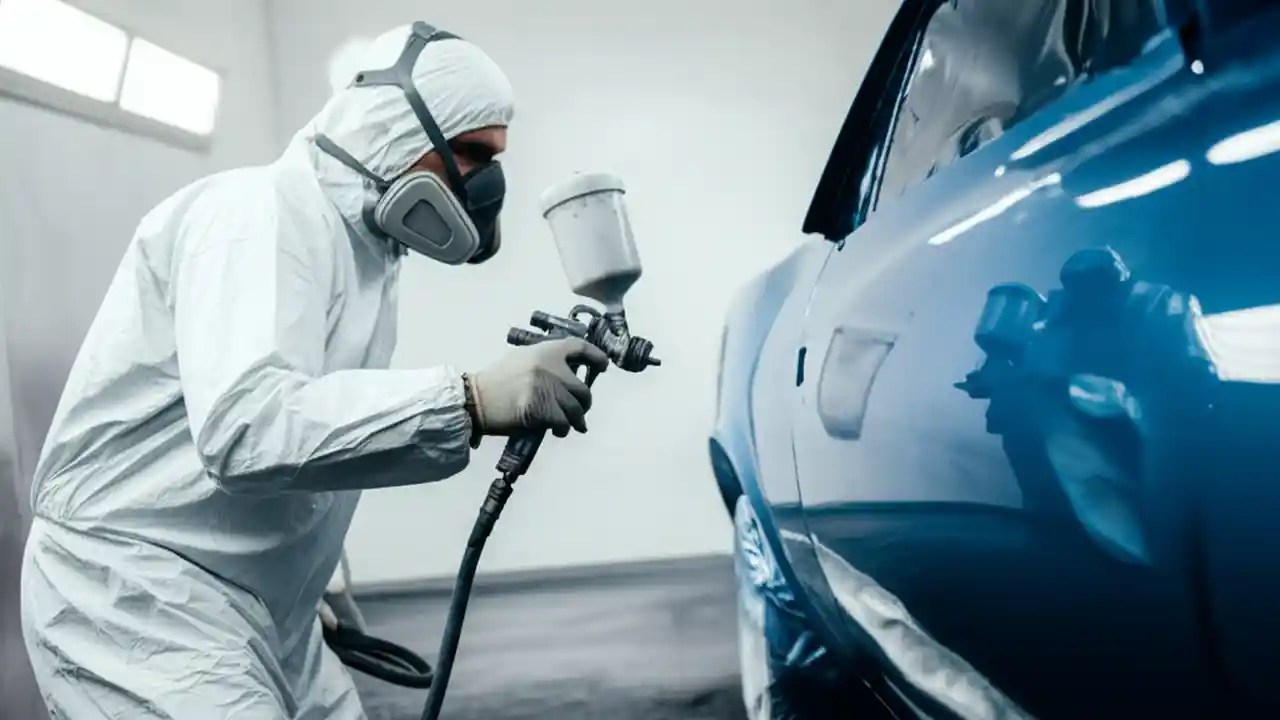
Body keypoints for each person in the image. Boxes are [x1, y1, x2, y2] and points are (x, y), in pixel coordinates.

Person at [20, 21, 607, 719]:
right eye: (473, 153)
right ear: (395, 128)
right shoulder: (254, 216)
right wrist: (470, 401)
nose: (488, 184)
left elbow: (311, 426)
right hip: (136, 597)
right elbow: (247, 429)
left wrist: (314, 578)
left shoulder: (366, 255)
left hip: (261, 605)